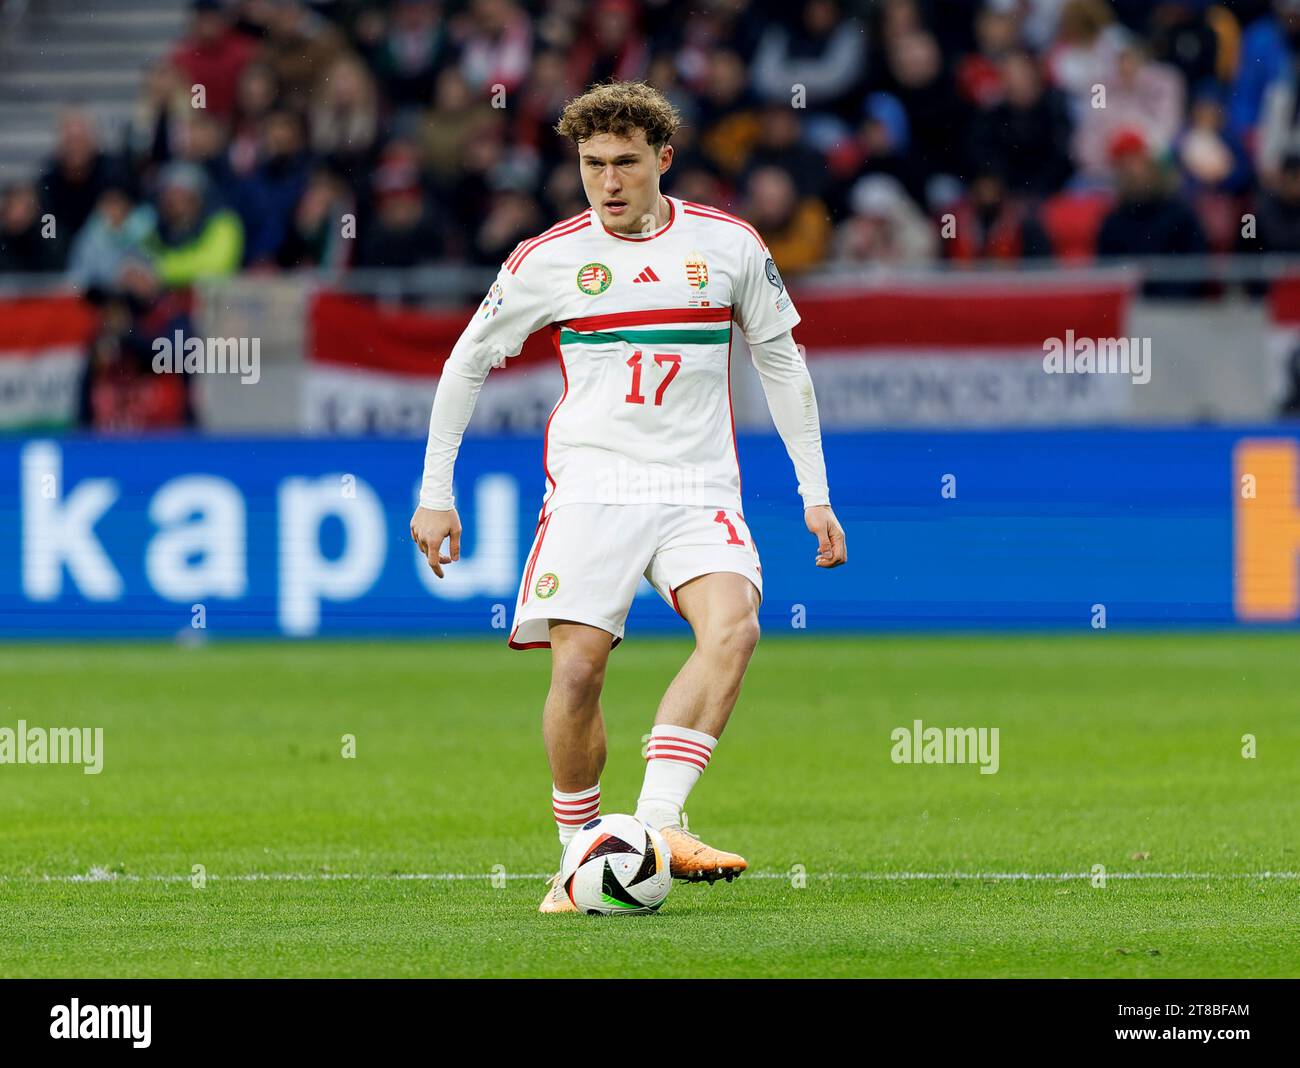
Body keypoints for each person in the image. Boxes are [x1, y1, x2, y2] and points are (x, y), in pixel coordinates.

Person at [409, 81, 846, 914]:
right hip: (594, 486)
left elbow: (782, 363)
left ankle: (654, 823)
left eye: (625, 163)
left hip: (698, 486)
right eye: (592, 164)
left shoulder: (728, 246)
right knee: (577, 672)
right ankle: (580, 857)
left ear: (664, 161)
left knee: (736, 628)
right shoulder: (549, 257)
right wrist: (436, 494)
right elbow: (467, 360)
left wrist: (813, 493)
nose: (607, 182)